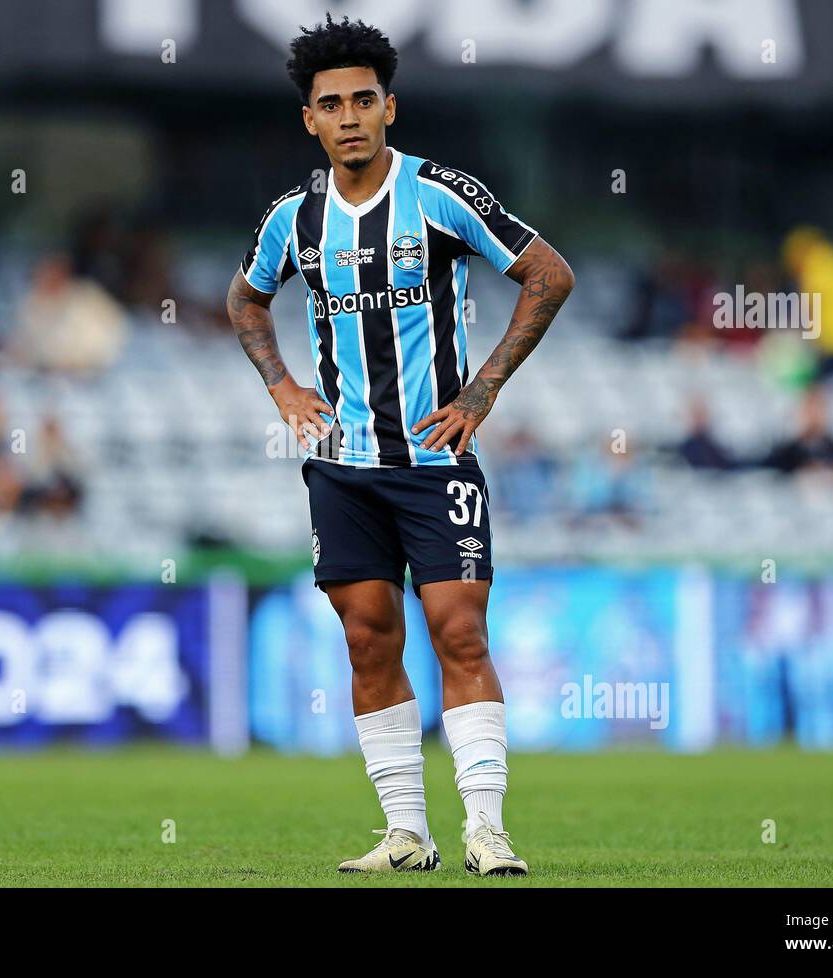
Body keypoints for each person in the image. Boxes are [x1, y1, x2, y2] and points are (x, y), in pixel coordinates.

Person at [225, 15, 574, 877]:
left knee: (459, 633)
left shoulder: (441, 196)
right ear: (310, 119)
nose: (348, 116)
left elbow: (548, 271)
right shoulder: (292, 220)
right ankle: (406, 834)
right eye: (330, 103)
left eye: (363, 100)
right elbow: (244, 300)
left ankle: (486, 830)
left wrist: (482, 390)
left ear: (390, 108)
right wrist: (282, 387)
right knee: (369, 640)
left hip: (435, 463)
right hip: (342, 470)